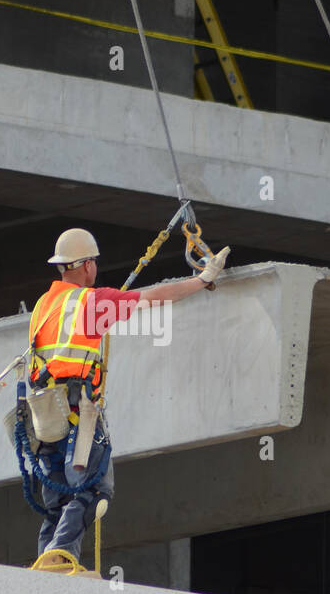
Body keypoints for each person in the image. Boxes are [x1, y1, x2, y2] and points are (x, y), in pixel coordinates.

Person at [28, 227, 230, 567]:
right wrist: (202, 279)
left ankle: (50, 566)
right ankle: (56, 557)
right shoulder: (91, 302)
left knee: (59, 500)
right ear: (87, 265)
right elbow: (154, 298)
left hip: (44, 416)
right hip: (77, 410)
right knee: (93, 490)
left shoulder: (44, 305)